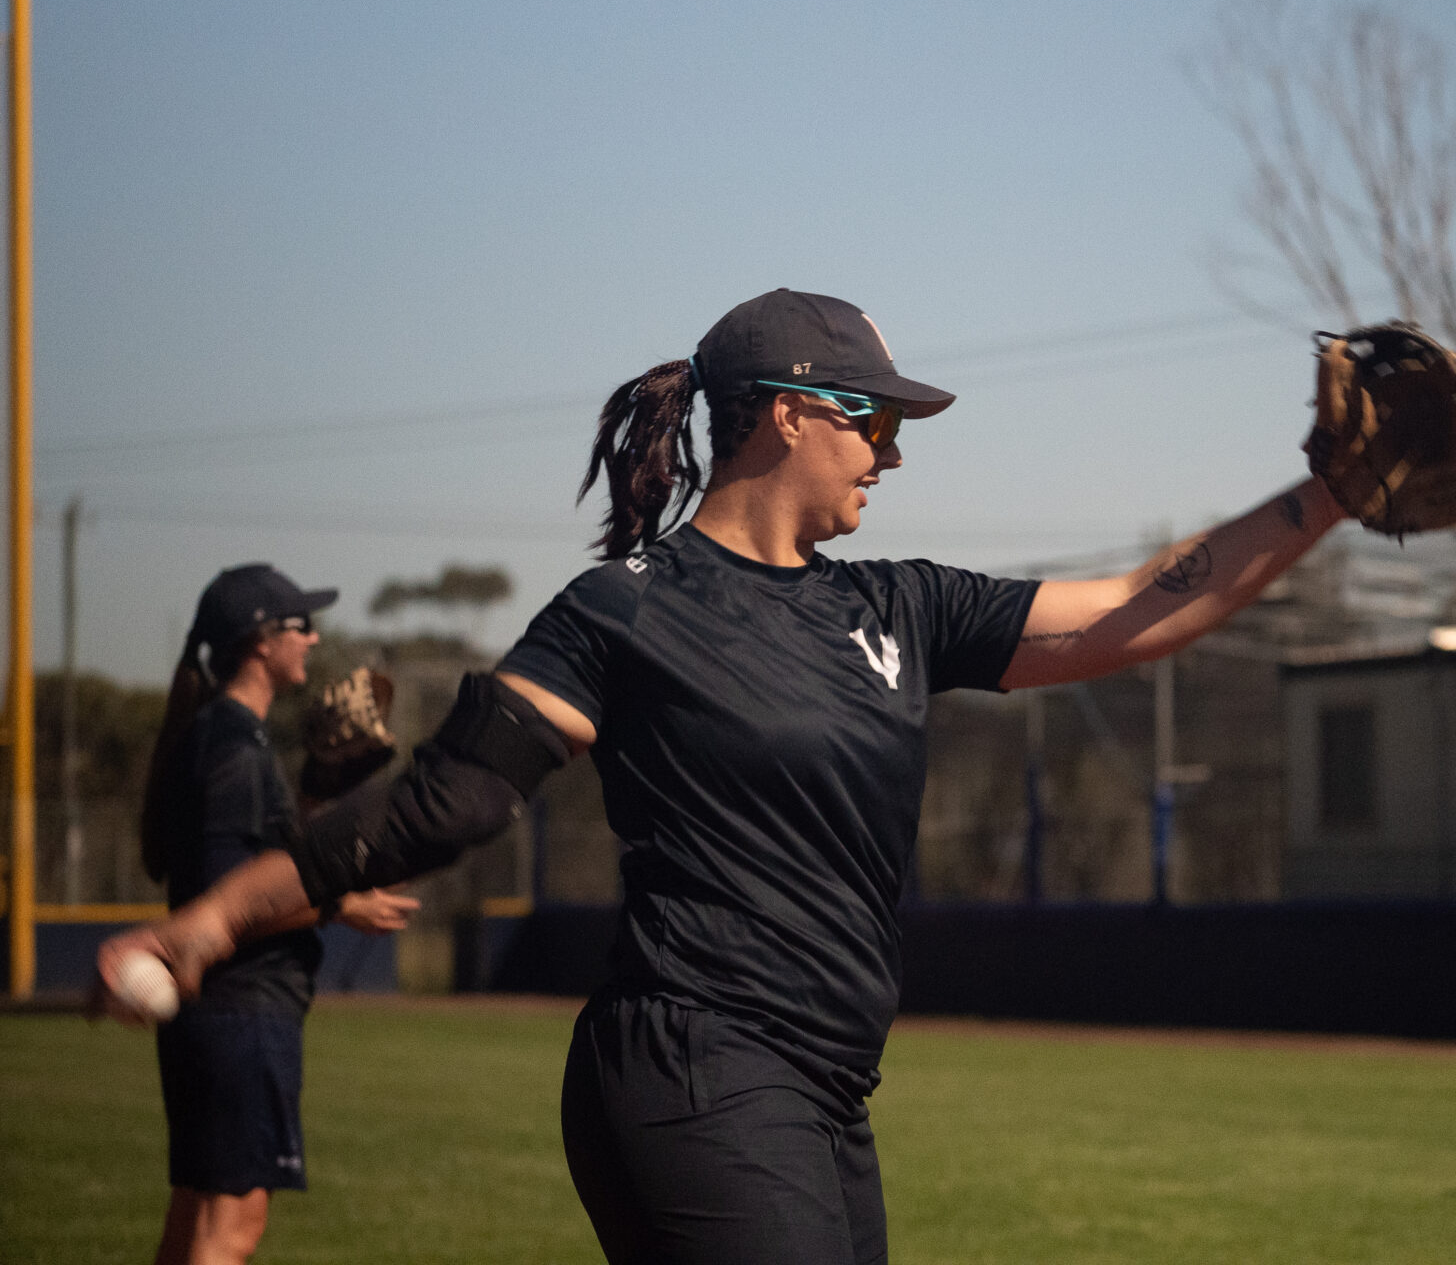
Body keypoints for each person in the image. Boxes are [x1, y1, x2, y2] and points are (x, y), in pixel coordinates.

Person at [101, 289, 1355, 1264]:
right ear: (786, 412)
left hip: (823, 1090)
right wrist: (209, 923)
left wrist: (1328, 495)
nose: (893, 454)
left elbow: (1136, 607)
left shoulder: (900, 605)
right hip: (693, 1068)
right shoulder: (625, 613)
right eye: (873, 421)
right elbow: (448, 804)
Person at [137, 564, 421, 1265]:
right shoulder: (233, 747)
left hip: (222, 1012)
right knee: (231, 1230)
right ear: (261, 641)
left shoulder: (224, 737)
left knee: (197, 1223)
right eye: (301, 625)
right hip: (240, 1010)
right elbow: (223, 901)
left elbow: (245, 867)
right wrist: (338, 903)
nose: (314, 637)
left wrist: (316, 794)